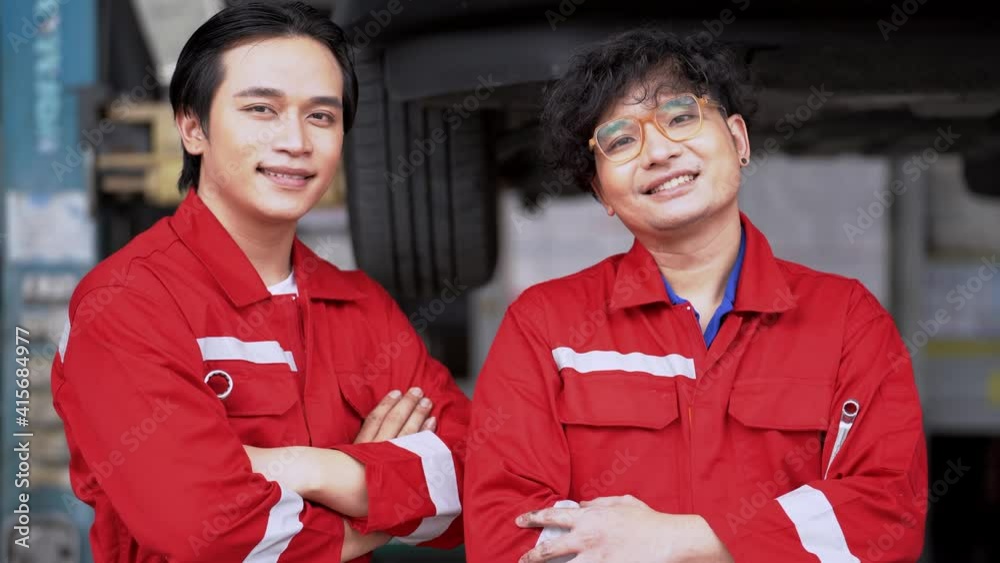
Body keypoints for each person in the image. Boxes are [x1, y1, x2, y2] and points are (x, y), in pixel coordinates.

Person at [463, 27, 928, 563]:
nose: (658, 150)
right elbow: (505, 536)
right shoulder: (547, 325)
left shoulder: (846, 319)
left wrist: (679, 539)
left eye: (681, 116)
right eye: (619, 140)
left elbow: (885, 517)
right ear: (601, 193)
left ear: (738, 139)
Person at [50, 2, 468, 561]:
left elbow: (480, 479)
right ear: (192, 126)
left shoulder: (360, 306)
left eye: (321, 116)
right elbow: (207, 530)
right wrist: (380, 501)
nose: (296, 140)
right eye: (262, 110)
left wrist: (305, 467)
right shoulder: (126, 305)